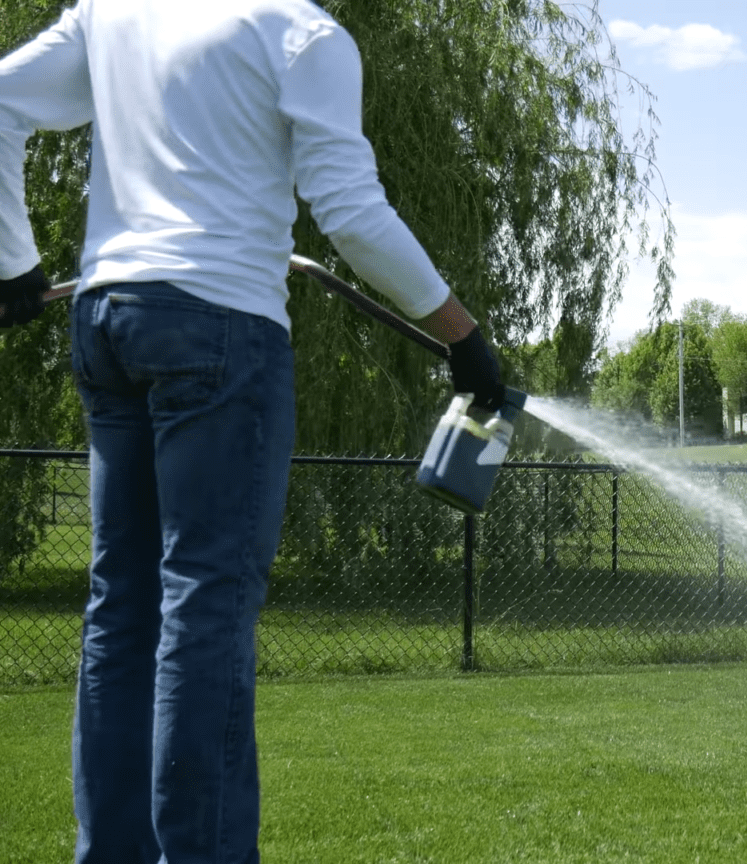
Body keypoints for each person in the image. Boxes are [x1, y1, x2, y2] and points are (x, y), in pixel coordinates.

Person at [0, 1, 506, 860]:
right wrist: (463, 336)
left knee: (120, 605)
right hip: (221, 329)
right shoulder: (300, 33)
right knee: (206, 603)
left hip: (108, 319)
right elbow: (349, 211)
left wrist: (12, 261)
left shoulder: (115, 10)